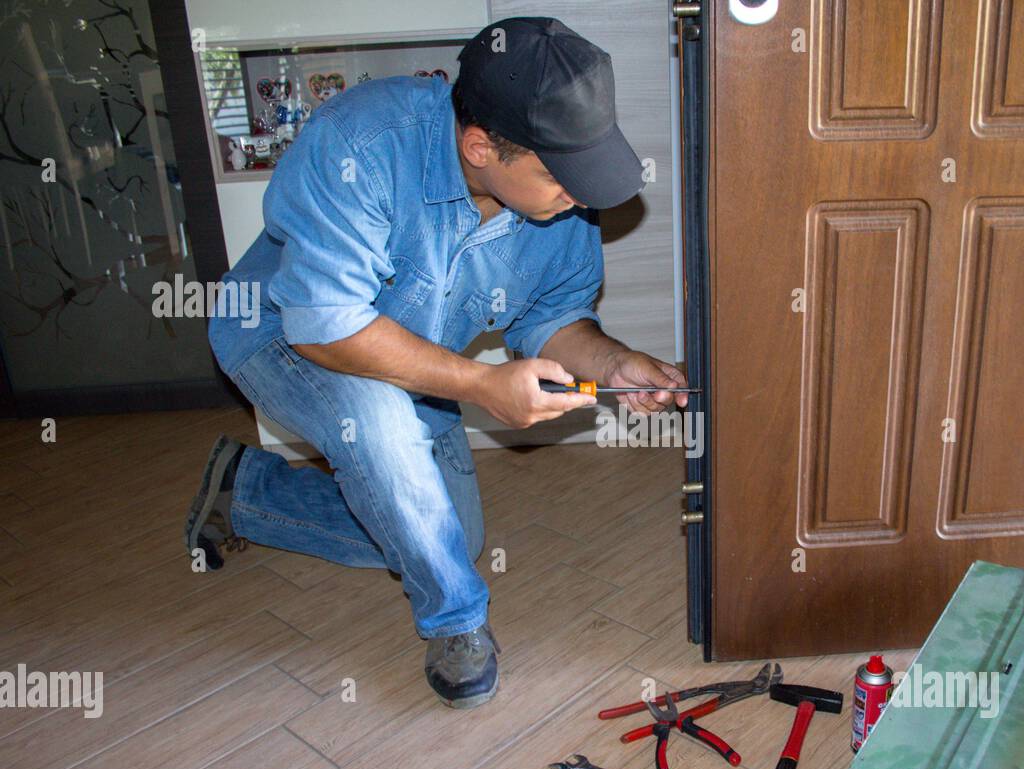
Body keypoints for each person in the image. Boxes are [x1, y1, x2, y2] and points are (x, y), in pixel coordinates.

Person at [186, 17, 688, 709]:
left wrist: (618, 362)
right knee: (385, 436)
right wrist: (482, 385)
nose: (580, 194)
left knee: (451, 534)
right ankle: (456, 622)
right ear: (481, 147)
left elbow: (550, 318)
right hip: (279, 331)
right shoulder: (359, 144)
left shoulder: (560, 205)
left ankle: (247, 492)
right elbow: (326, 328)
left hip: (411, 352)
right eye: (559, 176)